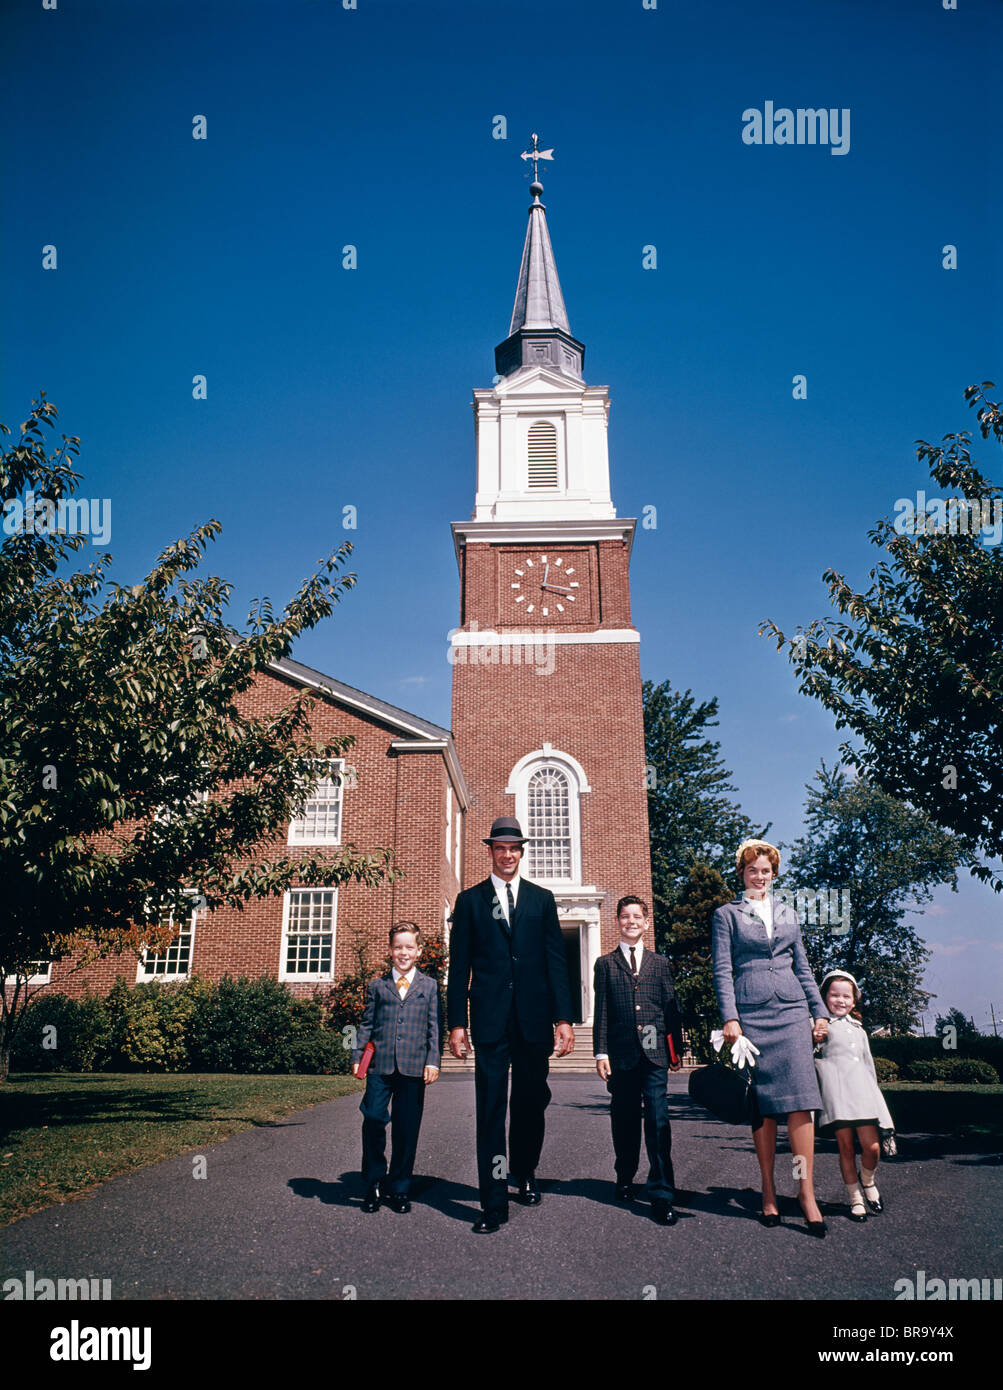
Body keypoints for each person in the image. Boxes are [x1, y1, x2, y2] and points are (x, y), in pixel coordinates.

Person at [447, 817, 575, 1233]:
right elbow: (459, 967)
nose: (507, 854)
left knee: (530, 1101)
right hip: (489, 1021)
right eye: (500, 848)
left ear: (522, 852)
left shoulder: (542, 900)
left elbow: (557, 962)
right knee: (490, 1110)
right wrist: (456, 1023)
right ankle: (493, 1203)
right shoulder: (469, 901)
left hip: (534, 1020)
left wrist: (563, 1017)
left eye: (514, 847)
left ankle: (525, 1170)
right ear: (490, 851)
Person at [711, 839, 830, 1234]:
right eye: (752, 871)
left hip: (792, 1011)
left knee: (801, 1103)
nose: (759, 877)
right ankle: (767, 1190)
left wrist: (819, 1012)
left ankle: (806, 1193)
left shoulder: (789, 913)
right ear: (742, 874)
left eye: (765, 871)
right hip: (752, 1014)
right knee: (762, 1108)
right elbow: (722, 970)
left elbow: (805, 968)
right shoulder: (726, 915)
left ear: (773, 874)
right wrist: (730, 1018)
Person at [594, 895, 684, 1225]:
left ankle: (661, 1191)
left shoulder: (659, 964)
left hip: (655, 1051)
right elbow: (601, 1012)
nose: (631, 921)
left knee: (658, 1118)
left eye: (637, 917)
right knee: (625, 1117)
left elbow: (670, 1008)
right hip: (622, 1054)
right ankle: (625, 1174)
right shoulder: (605, 964)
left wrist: (675, 1050)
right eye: (625, 917)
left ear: (646, 923)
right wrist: (601, 1052)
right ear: (617, 921)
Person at [351, 923, 440, 1214]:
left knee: (406, 1128)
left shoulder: (429, 986)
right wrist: (356, 1055)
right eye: (398, 947)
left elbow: (433, 1027)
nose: (403, 953)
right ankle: (375, 1181)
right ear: (391, 951)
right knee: (374, 1118)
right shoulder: (377, 986)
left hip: (414, 1067)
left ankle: (400, 1186)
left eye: (409, 947)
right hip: (380, 1066)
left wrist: (433, 1060)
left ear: (419, 951)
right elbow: (366, 1024)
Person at [813, 969, 894, 1222]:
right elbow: (811, 1054)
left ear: (854, 999)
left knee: (872, 1147)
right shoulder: (819, 1025)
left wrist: (878, 1101)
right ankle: (855, 1198)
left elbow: (868, 1067)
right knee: (846, 1149)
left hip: (862, 1095)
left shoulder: (859, 1029)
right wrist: (814, 1036)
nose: (840, 1001)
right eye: (834, 995)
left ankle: (868, 1182)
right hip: (837, 1096)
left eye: (846, 996)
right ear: (825, 997)